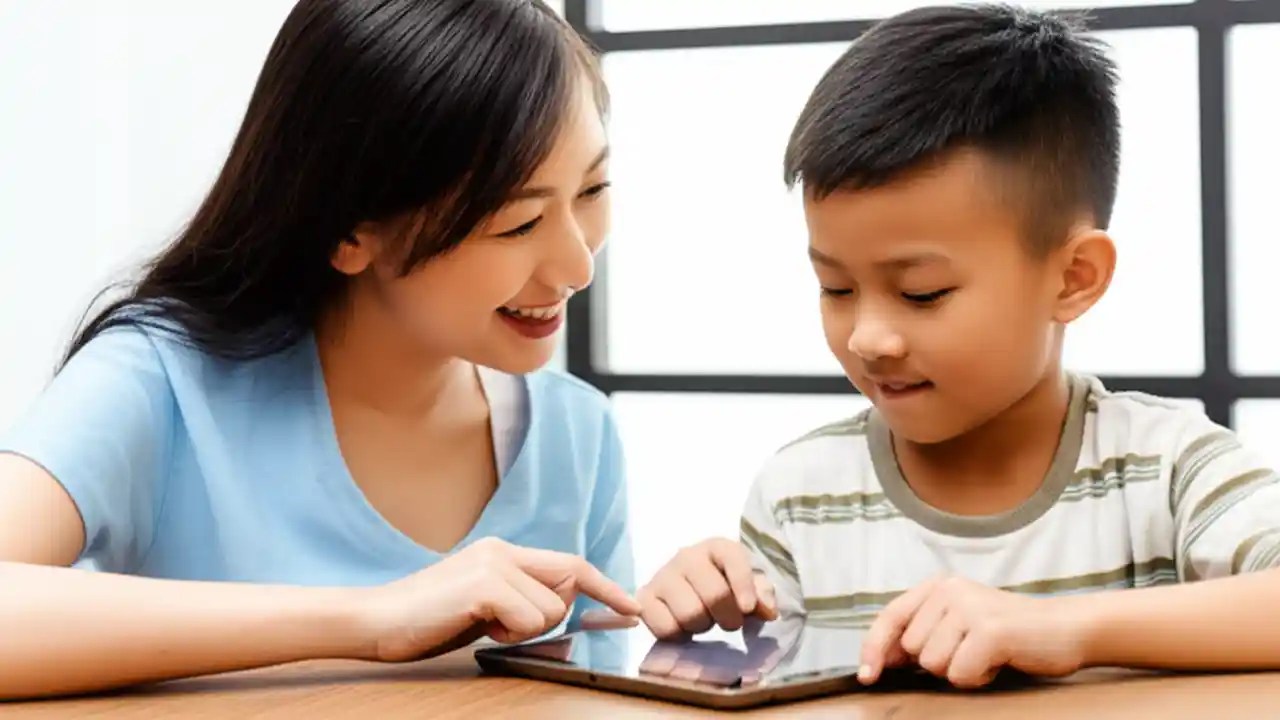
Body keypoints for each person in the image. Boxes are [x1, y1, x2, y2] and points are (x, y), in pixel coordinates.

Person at [0, 0, 640, 700]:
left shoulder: (579, 436)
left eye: (594, 189)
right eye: (518, 223)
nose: (578, 266)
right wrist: (372, 620)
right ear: (349, 231)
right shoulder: (161, 381)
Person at [638, 3, 1280, 690]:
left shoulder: (1166, 468)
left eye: (922, 293)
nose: (868, 337)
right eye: (835, 287)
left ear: (1073, 278)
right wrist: (711, 611)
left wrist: (1066, 628)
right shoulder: (799, 497)